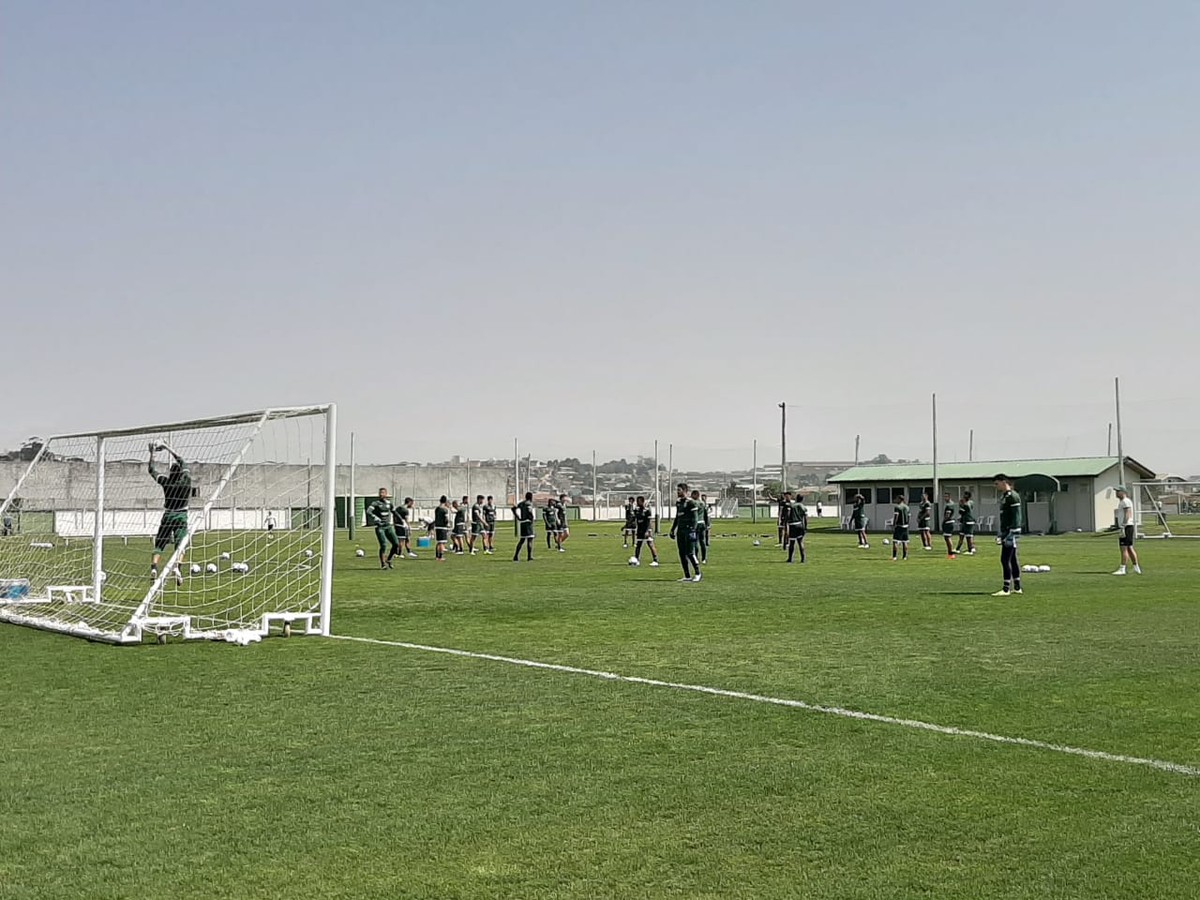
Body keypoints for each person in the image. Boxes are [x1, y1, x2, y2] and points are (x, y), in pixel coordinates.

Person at [148, 442, 190, 584]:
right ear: (181, 473)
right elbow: (182, 461)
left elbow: (151, 470)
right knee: (181, 545)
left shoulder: (166, 483)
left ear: (170, 474)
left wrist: (152, 453)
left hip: (168, 515)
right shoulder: (186, 480)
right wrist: (167, 447)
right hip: (181, 515)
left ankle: (154, 568)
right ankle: (177, 567)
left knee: (159, 544)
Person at [992, 475, 1024, 595]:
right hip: (1006, 530)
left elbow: (1016, 516)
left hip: (1011, 531)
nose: (996, 486)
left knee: (1005, 559)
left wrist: (1012, 531)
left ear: (1003, 482)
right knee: (1012, 558)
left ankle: (1006, 588)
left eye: (997, 484)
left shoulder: (1013, 496)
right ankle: (1017, 586)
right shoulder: (1005, 496)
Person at [669, 482, 702, 583]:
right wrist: (672, 529)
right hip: (681, 531)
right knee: (682, 553)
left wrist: (693, 529)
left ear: (685, 491)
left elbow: (695, 518)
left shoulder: (691, 503)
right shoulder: (679, 503)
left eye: (679, 490)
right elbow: (677, 517)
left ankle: (697, 573)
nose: (677, 492)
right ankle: (687, 575)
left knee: (690, 553)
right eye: (677, 490)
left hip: (689, 530)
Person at [365, 487, 401, 570]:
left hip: (388, 526)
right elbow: (368, 511)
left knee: (396, 544)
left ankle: (389, 559)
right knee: (384, 545)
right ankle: (383, 564)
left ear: (386, 494)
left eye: (383, 493)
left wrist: (402, 521)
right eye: (380, 493)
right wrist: (374, 517)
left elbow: (394, 512)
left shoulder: (389, 503)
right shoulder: (375, 503)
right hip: (380, 527)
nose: (381, 494)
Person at [1112, 486, 1142, 575]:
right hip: (1127, 526)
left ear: (1123, 492)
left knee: (1123, 548)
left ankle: (1122, 568)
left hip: (1127, 526)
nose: (1116, 493)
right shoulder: (1123, 501)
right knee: (1129, 547)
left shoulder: (1125, 501)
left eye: (1118, 491)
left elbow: (1128, 513)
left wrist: (1123, 526)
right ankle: (1136, 567)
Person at [631, 495, 659, 566]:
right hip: (640, 530)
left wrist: (648, 531)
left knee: (650, 544)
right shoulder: (637, 510)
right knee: (638, 545)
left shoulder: (647, 511)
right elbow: (633, 517)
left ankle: (655, 560)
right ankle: (637, 559)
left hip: (647, 530)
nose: (637, 502)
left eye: (639, 501)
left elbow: (649, 521)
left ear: (642, 502)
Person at [512, 492, 535, 561]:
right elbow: (529, 511)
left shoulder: (521, 503)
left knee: (522, 540)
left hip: (522, 522)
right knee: (530, 540)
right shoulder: (529, 503)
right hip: (528, 522)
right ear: (531, 497)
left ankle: (516, 556)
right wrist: (532, 518)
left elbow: (513, 509)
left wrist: (518, 517)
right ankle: (529, 556)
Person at [786, 493, 808, 564]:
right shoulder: (803, 506)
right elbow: (805, 517)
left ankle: (790, 559)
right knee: (800, 542)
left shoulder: (792, 506)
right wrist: (805, 527)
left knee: (792, 543)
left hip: (793, 525)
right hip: (800, 525)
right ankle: (803, 559)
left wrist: (786, 522)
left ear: (796, 498)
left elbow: (788, 515)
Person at [955, 490, 977, 555]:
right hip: (967, 520)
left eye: (965, 495)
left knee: (968, 536)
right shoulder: (971, 502)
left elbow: (961, 512)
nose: (963, 497)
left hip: (968, 521)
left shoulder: (965, 504)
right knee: (962, 535)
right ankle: (958, 549)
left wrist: (961, 505)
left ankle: (970, 550)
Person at [891, 492, 910, 561]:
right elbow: (908, 516)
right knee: (905, 542)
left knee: (895, 541)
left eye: (896, 499)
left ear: (899, 499)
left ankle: (894, 556)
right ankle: (905, 557)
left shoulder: (897, 507)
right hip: (906, 526)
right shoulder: (907, 507)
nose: (896, 500)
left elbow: (896, 516)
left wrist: (894, 524)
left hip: (899, 526)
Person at [692, 490, 710, 564]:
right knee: (702, 541)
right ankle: (704, 558)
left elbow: (693, 515)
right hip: (702, 523)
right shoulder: (703, 504)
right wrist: (707, 524)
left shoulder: (693, 503)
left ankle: (696, 557)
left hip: (696, 524)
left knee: (695, 542)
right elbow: (706, 515)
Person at [432, 496, 451, 562]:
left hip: (437, 526)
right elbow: (446, 519)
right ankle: (440, 556)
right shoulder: (445, 509)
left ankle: (437, 556)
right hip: (442, 527)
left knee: (439, 542)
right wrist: (448, 524)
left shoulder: (437, 509)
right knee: (442, 543)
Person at [941, 492, 957, 558]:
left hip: (948, 522)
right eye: (944, 496)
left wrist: (944, 521)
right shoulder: (951, 504)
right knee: (947, 537)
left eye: (946, 496)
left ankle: (950, 553)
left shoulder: (949, 505)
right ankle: (950, 552)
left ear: (949, 497)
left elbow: (947, 515)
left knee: (947, 537)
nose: (945, 498)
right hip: (950, 522)